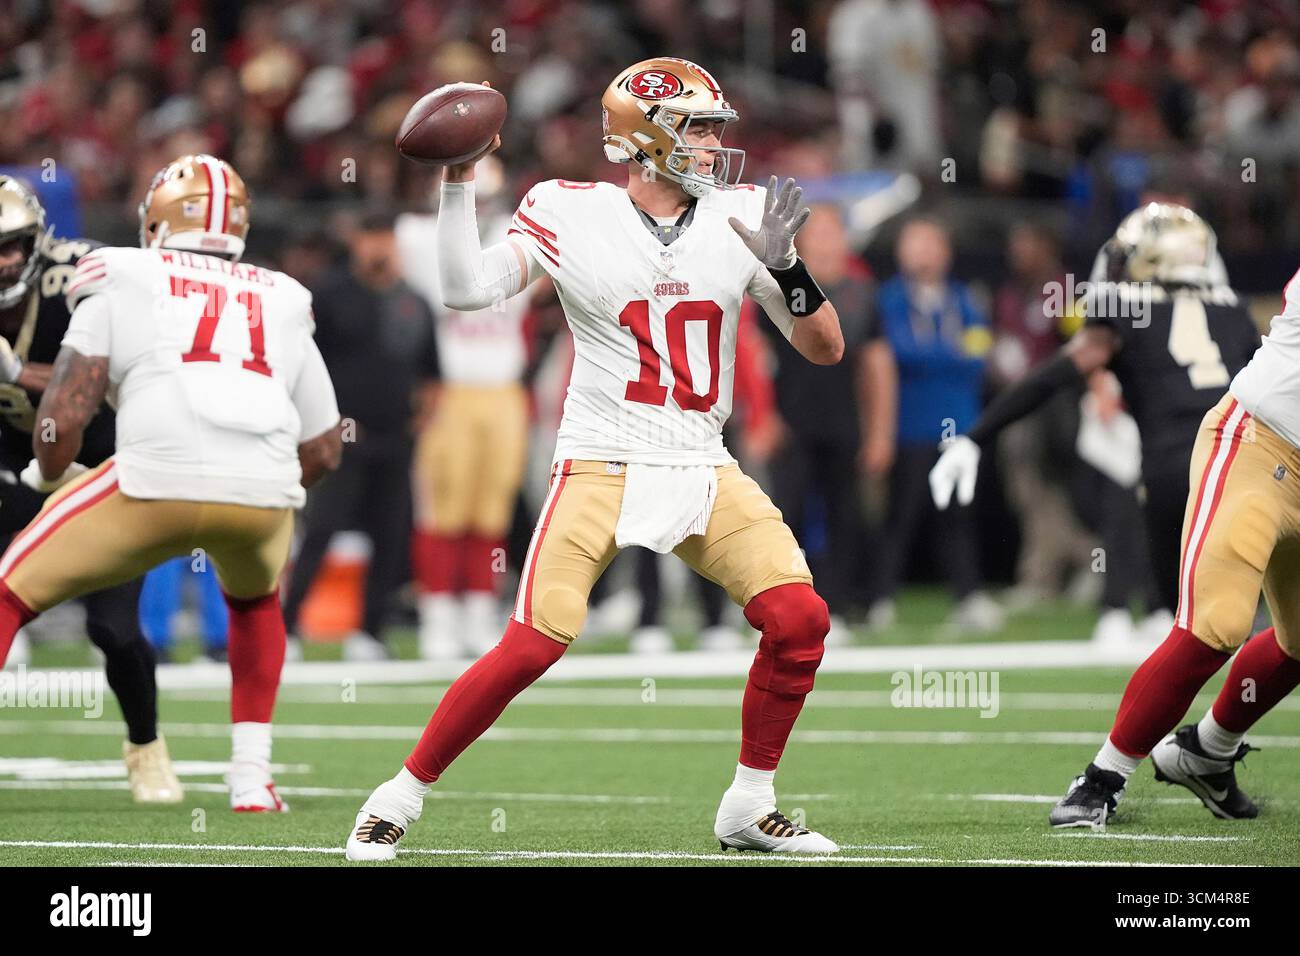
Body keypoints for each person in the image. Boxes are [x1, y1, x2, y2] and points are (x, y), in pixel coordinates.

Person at [346, 58, 845, 860]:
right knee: (535, 641)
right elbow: (468, 289)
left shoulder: (744, 216)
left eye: (719, 127)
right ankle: (397, 798)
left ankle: (750, 805)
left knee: (800, 619)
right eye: (699, 127)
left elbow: (826, 348)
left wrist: (788, 268)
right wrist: (456, 186)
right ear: (646, 139)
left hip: (699, 459)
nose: (718, 144)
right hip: (602, 459)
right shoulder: (566, 210)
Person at [0, 154, 343, 812]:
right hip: (264, 494)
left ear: (154, 222)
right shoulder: (285, 294)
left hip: (153, 480)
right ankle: (251, 780)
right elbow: (325, 448)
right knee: (253, 602)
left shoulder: (121, 270)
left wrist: (49, 475)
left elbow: (64, 412)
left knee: (8, 593)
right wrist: (262, 487)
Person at [928, 204, 1270, 825]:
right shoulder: (1233, 310)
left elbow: (1055, 375)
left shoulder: (1127, 311)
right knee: (1212, 632)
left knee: (1199, 632)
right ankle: (1129, 770)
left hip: (1178, 472)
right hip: (1251, 470)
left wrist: (976, 435)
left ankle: (1182, 759)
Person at [0, 175, 178, 804]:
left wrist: (20, 373)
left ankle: (146, 745)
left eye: (12, 246)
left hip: (96, 462)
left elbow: (108, 377)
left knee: (114, 629)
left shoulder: (78, 275)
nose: (3, 262)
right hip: (8, 465)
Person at [281, 211, 439, 662]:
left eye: (385, 237)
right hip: (340, 436)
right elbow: (303, 361)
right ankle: (288, 628)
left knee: (390, 536)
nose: (378, 248)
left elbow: (431, 374)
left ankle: (370, 631)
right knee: (322, 530)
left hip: (395, 439)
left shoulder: (413, 301)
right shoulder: (330, 295)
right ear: (356, 241)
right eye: (371, 237)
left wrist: (421, 424)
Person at [397, 168, 532, 660]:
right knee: (442, 512)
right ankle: (438, 616)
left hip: (503, 391)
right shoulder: (418, 238)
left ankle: (477, 611)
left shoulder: (519, 235)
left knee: (490, 513)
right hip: (449, 392)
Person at [760, 203, 895, 634]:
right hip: (790, 424)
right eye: (816, 233)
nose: (825, 242)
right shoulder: (777, 286)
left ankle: (834, 609)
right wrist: (762, 416)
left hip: (843, 422)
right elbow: (754, 356)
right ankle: (775, 609)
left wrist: (880, 433)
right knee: (782, 518)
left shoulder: (860, 293)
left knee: (845, 517)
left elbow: (877, 366)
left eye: (833, 232)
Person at [870, 217, 1001, 633]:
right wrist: (950, 354)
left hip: (959, 424)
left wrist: (940, 356)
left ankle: (968, 597)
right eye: (915, 244)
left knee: (958, 516)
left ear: (945, 252)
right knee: (900, 516)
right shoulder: (888, 299)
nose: (923, 253)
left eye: (931, 244)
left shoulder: (963, 298)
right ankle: (880, 599)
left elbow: (980, 351)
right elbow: (899, 353)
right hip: (909, 425)